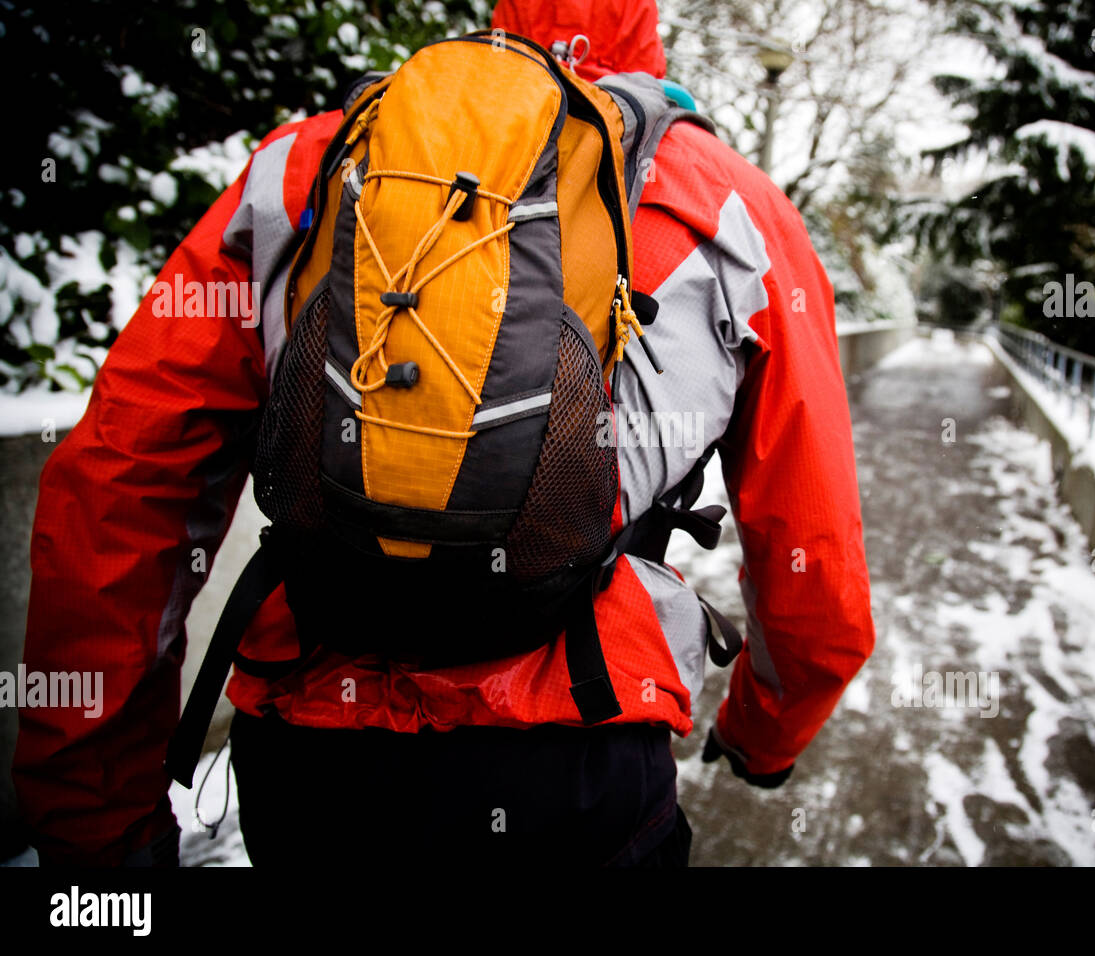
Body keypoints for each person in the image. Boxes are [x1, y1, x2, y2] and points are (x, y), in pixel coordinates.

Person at [13, 0, 874, 867]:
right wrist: (765, 732)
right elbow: (812, 540)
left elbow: (121, 483)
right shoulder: (734, 209)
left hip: (312, 748)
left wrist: (97, 820)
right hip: (581, 748)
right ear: (646, 34)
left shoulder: (306, 166)